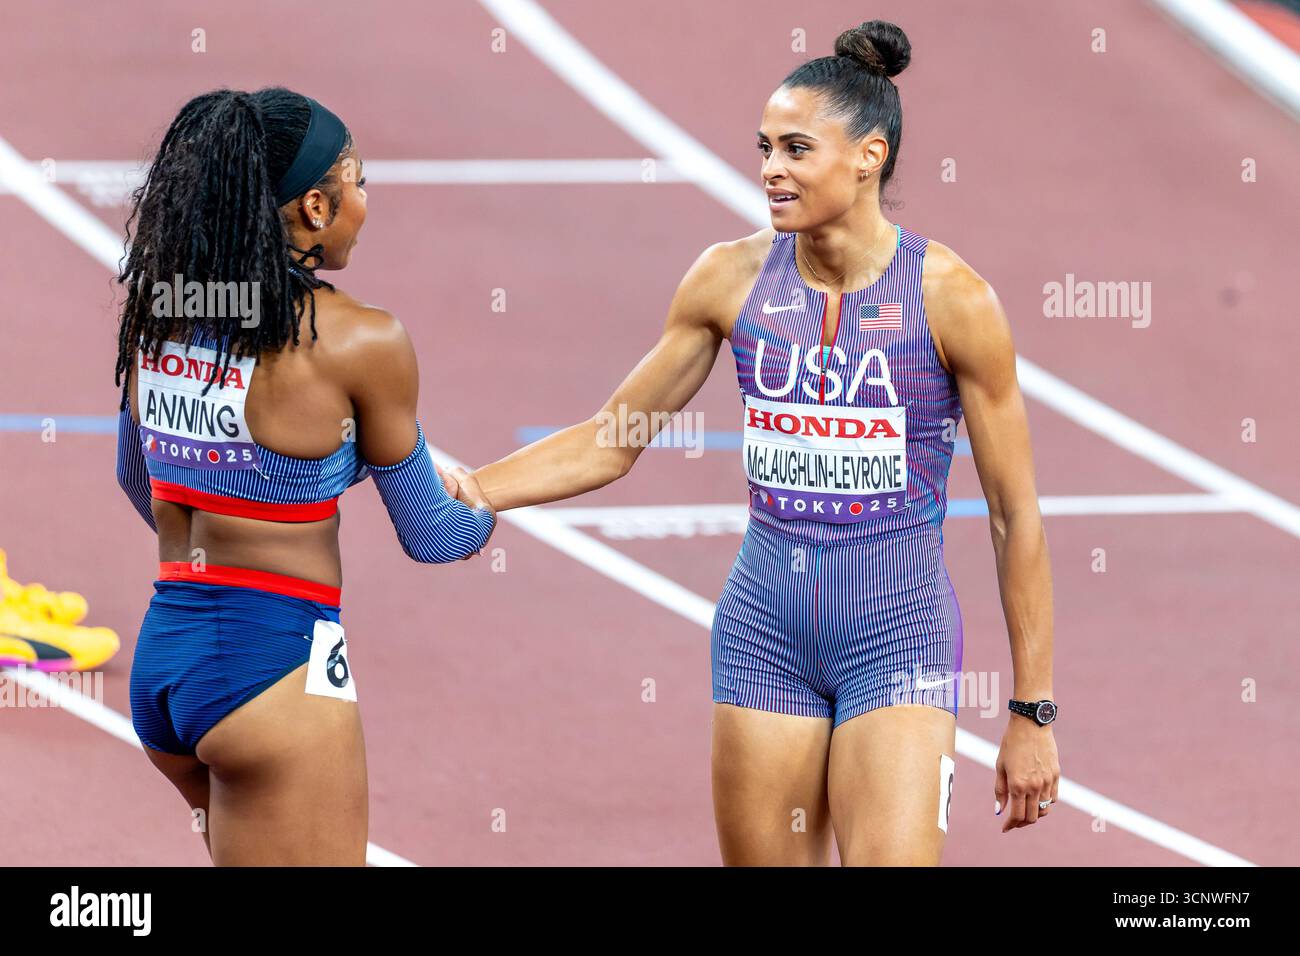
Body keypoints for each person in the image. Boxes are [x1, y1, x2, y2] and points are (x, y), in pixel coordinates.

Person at [471, 21, 1059, 865]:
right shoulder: (729, 277)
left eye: (795, 149)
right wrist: (477, 490)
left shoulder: (953, 299)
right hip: (763, 634)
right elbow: (613, 437)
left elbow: (1014, 514)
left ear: (868, 156)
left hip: (898, 634)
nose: (769, 170)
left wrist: (1032, 710)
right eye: (763, 148)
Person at [113, 87, 495, 865]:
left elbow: (139, 479)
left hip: (166, 663)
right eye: (360, 183)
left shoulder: (161, 316)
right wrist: (486, 503)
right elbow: (433, 533)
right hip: (273, 674)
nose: (365, 202)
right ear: (316, 207)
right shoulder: (361, 340)